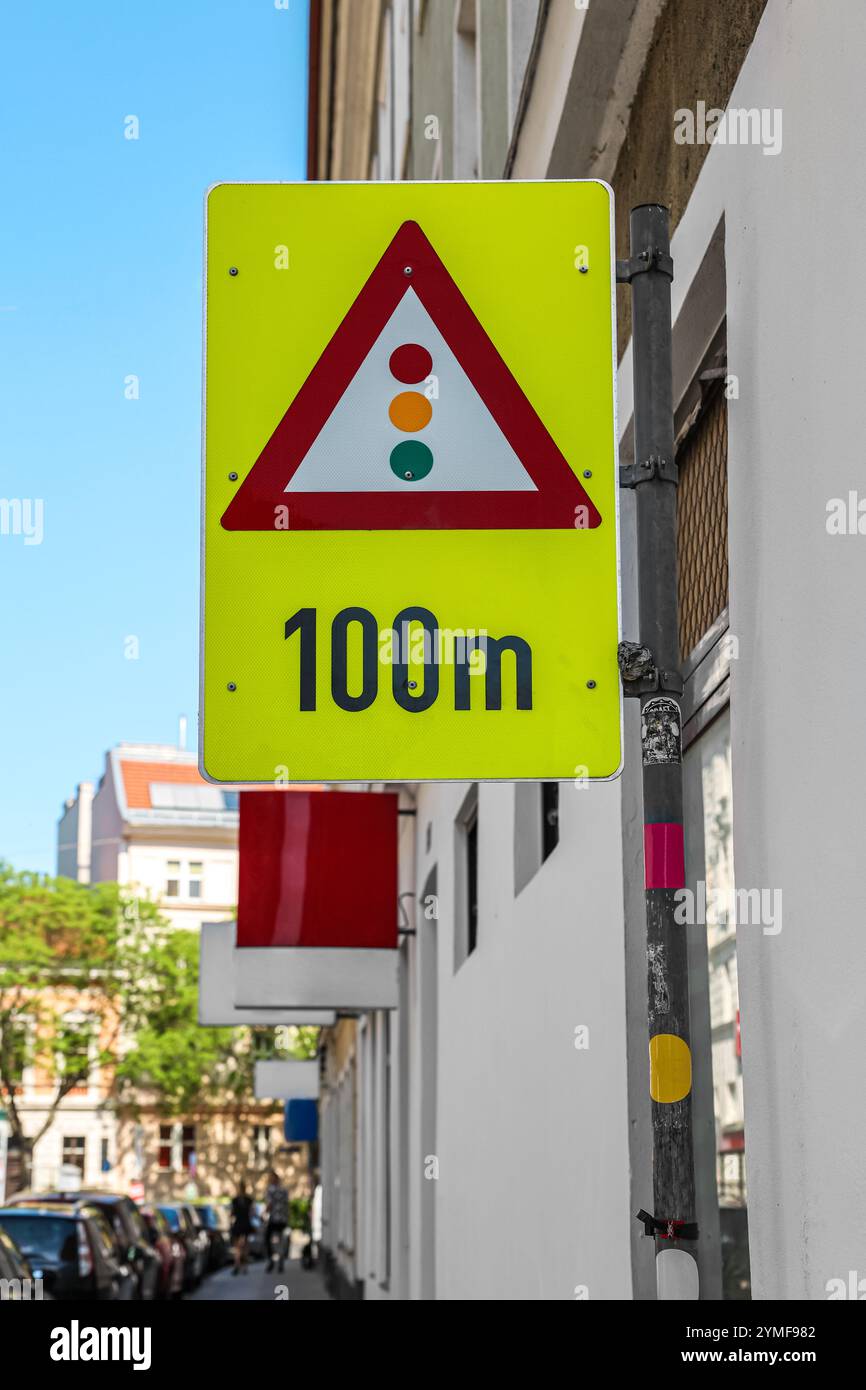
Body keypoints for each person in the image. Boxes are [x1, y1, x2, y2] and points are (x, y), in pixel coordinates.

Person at [263, 1169, 290, 1273]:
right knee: (280, 1240)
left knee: (267, 1239)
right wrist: (287, 1217)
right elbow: (287, 1205)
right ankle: (280, 1260)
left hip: (274, 1219)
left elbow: (269, 1204)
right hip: (283, 1219)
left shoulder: (271, 1189)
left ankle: (271, 1260)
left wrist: (264, 1213)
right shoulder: (284, 1190)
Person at [230, 1180, 255, 1276]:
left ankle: (238, 1265)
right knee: (244, 1246)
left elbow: (232, 1213)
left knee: (238, 1247)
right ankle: (243, 1266)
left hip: (239, 1224)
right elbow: (252, 1213)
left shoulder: (235, 1200)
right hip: (245, 1224)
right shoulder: (248, 1200)